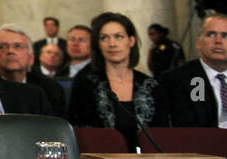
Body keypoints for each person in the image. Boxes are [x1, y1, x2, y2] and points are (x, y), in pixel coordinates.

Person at [68, 12, 162, 150]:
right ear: (98, 44)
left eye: (119, 37)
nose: (112, 44)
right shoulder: (85, 84)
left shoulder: (150, 85)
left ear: (131, 41)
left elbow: (161, 134)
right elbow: (80, 134)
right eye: (104, 38)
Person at [158, 14, 227, 150]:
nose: (218, 41)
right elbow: (195, 128)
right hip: (211, 154)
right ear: (199, 43)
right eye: (211, 34)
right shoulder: (192, 79)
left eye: (226, 36)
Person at [0, 24, 66, 118]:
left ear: (31, 58)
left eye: (18, 46)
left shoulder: (51, 89)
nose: (10, 51)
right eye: (3, 47)